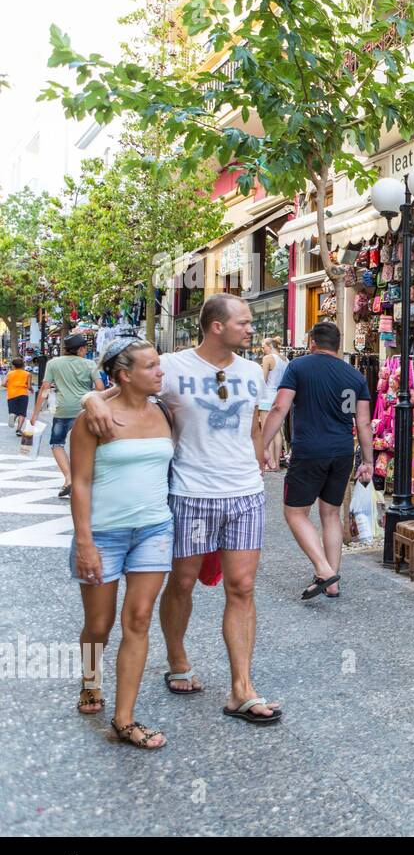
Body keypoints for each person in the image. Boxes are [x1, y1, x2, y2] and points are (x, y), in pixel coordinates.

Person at [81, 292, 281, 725]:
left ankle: (241, 688)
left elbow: (252, 427)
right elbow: (118, 390)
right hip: (191, 494)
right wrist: (91, 400)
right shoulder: (171, 366)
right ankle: (176, 657)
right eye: (243, 323)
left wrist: (259, 461)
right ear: (216, 326)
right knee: (183, 582)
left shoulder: (251, 372)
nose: (251, 329)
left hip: (245, 494)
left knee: (243, 587)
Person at [69, 337, 173, 749]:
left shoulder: (165, 411)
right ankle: (90, 679)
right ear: (125, 375)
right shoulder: (94, 419)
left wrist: (90, 394)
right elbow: (79, 483)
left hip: (154, 530)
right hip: (104, 534)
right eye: (150, 366)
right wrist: (84, 543)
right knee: (99, 624)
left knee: (139, 620)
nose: (160, 372)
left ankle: (124, 718)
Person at [260, 321, 373, 600]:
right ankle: (332, 582)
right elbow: (364, 423)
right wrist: (368, 461)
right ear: (337, 344)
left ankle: (324, 569)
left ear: (312, 342)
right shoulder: (355, 376)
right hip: (342, 451)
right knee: (331, 514)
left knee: (295, 513)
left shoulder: (299, 367)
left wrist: (260, 445)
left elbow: (279, 407)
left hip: (309, 450)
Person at [31, 333, 104, 497]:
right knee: (88, 445)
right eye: (85, 348)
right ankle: (86, 480)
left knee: (57, 444)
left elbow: (44, 389)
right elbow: (100, 387)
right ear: (80, 349)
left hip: (63, 410)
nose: (86, 351)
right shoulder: (90, 364)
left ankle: (69, 477)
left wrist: (35, 414)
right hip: (85, 409)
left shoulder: (53, 363)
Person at [257, 336, 288, 471]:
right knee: (277, 431)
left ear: (269, 346)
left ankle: (270, 463)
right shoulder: (285, 359)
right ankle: (276, 463)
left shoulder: (268, 359)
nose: (263, 350)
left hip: (266, 396)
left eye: (264, 347)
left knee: (266, 430)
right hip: (280, 396)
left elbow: (262, 380)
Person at [6, 356, 32, 433]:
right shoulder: (28, 374)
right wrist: (31, 389)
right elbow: (29, 386)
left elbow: (3, 383)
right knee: (22, 413)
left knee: (13, 411)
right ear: (23, 365)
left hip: (12, 394)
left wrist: (11, 385)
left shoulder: (9, 373)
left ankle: (13, 416)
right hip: (23, 394)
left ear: (13, 366)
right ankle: (19, 429)